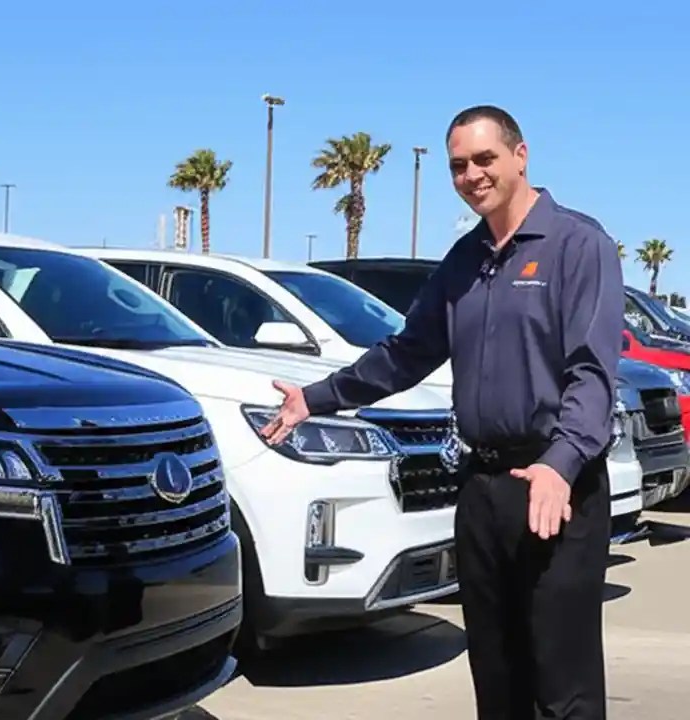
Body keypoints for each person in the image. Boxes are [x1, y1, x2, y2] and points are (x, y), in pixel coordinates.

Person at [261, 104, 623, 719]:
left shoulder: (577, 245)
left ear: (520, 156)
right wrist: (317, 397)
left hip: (555, 490)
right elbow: (407, 354)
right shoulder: (463, 261)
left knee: (563, 689)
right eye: (458, 166)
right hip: (481, 491)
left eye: (484, 159)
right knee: (497, 681)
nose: (471, 175)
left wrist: (561, 463)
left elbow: (591, 373)